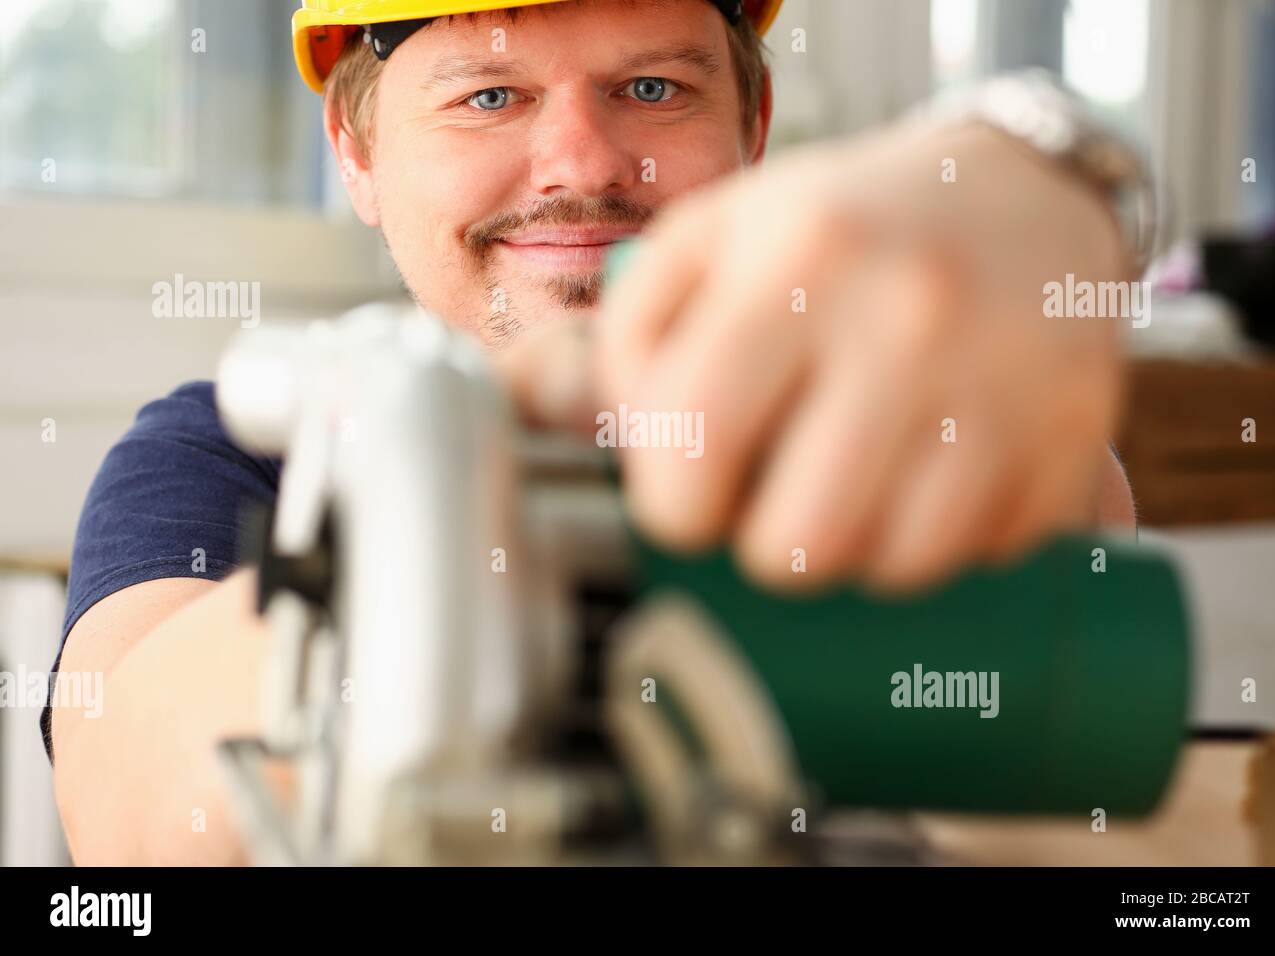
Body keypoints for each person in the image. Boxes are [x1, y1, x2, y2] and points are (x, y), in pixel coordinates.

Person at [49, 0, 1139, 864]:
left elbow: (1083, 652)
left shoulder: (865, 421)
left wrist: (1040, 179)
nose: (582, 166)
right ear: (358, 151)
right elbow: (135, 818)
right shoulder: (224, 455)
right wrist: (460, 488)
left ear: (752, 130)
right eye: (489, 96)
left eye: (653, 88)